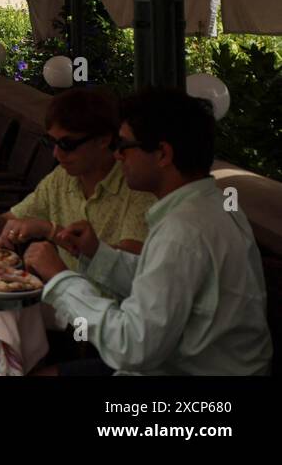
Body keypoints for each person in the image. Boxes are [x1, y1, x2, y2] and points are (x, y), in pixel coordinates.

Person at [25, 88, 273, 375]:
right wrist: (96, 254)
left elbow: (131, 348)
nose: (117, 156)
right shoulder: (211, 206)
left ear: (163, 154)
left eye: (124, 145)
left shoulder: (184, 231)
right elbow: (161, 283)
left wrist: (60, 279)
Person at [0, 87, 154, 272]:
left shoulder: (137, 187)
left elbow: (130, 269)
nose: (56, 153)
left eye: (67, 144)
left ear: (103, 140)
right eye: (51, 142)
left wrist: (51, 231)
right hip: (62, 295)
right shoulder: (62, 178)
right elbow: (11, 224)